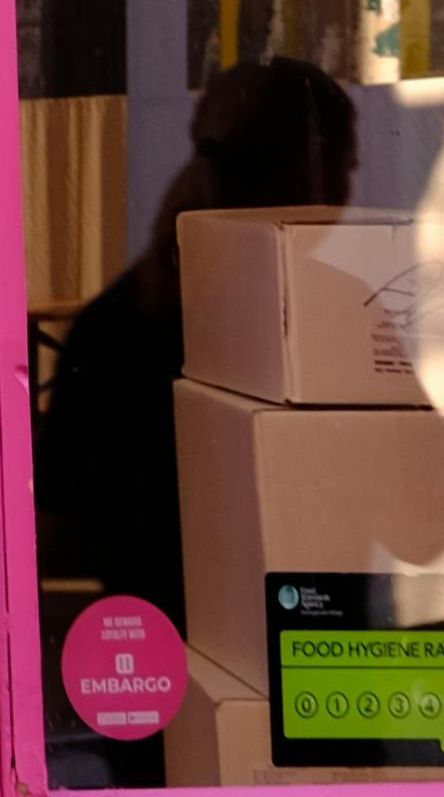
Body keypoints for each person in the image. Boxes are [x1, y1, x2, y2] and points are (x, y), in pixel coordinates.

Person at [36, 54, 360, 671]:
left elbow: (60, 533)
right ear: (308, 177)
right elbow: (434, 513)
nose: (347, 194)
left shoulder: (117, 326)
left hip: (155, 664)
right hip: (324, 650)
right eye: (345, 171)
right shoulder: (345, 315)